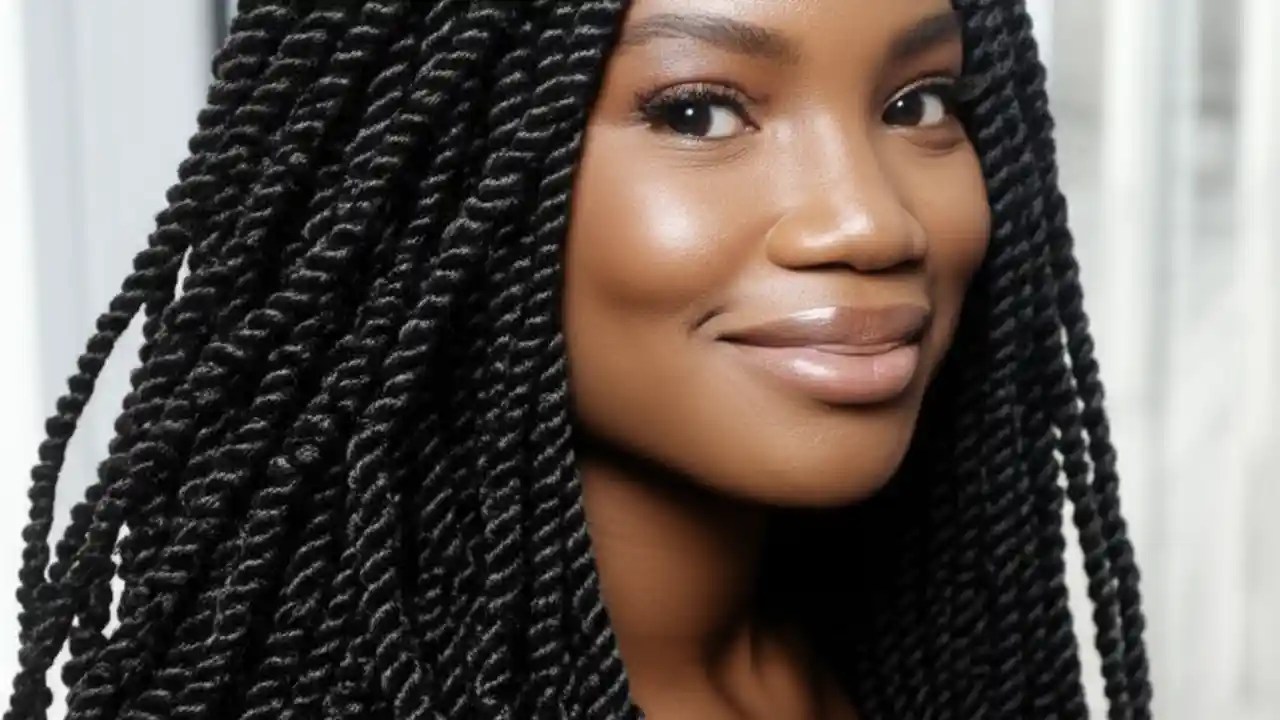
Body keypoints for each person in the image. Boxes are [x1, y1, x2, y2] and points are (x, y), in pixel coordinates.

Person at [6, 0, 1153, 718]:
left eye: (916, 101)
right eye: (699, 114)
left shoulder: (933, 672)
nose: (868, 223)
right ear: (429, 179)